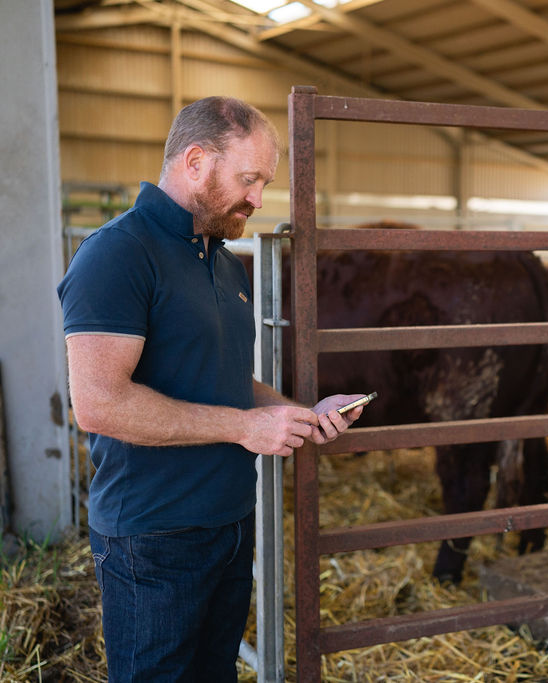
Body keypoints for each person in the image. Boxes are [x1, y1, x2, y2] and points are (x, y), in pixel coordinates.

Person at [57, 96, 364, 681]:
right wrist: (246, 428)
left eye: (263, 182)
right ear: (195, 161)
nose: (258, 198)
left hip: (227, 522)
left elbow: (221, 377)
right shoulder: (118, 254)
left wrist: (297, 412)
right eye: (250, 179)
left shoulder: (223, 261)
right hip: (152, 534)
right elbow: (98, 405)